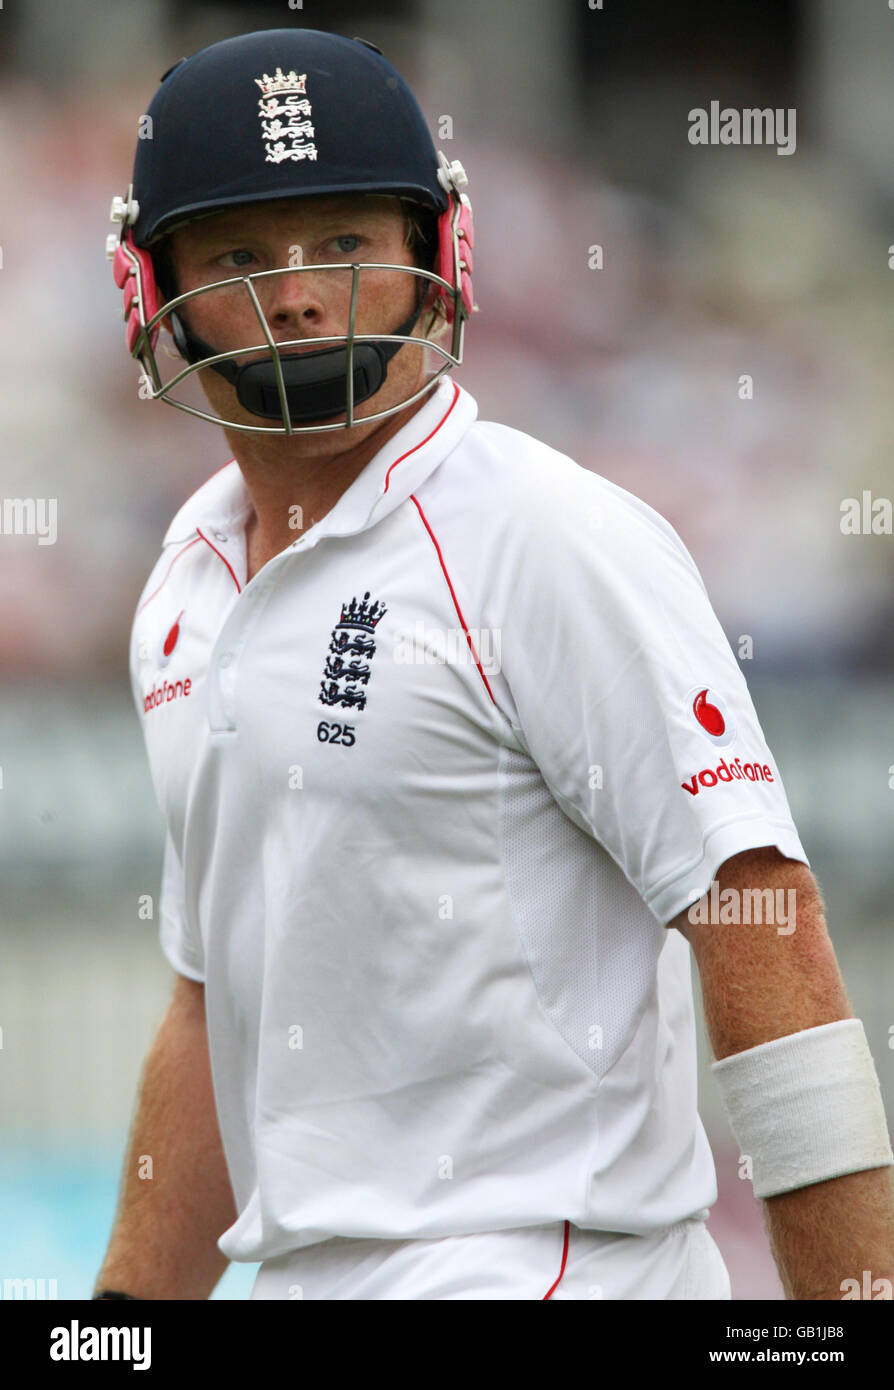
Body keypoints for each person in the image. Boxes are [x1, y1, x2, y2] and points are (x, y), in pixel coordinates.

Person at [95, 28, 894, 1301]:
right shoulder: (184, 587)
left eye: (344, 243)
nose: (298, 298)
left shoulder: (545, 536)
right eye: (241, 257)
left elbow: (758, 918)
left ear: (438, 254)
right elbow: (214, 1010)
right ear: (153, 288)